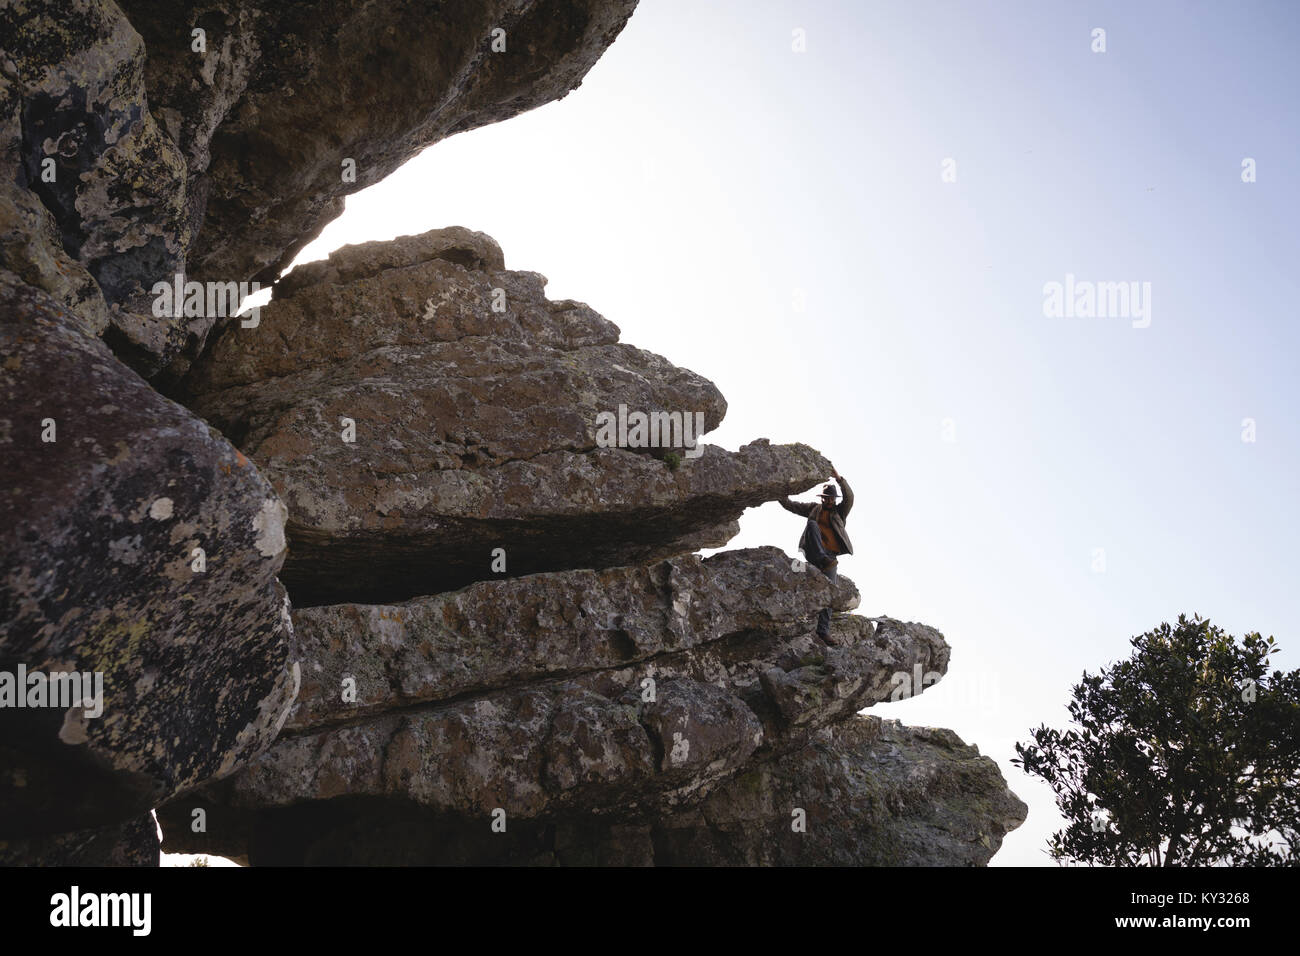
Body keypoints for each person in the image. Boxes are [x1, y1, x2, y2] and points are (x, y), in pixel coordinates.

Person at [779, 468, 853, 640]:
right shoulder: (814, 509)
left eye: (831, 498)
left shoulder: (839, 513)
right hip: (814, 552)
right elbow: (792, 506)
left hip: (831, 558)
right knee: (812, 525)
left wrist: (840, 479)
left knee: (830, 592)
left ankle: (823, 631)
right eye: (826, 498)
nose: (828, 500)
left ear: (835, 500)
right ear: (822, 499)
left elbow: (850, 498)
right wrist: (778, 493)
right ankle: (821, 558)